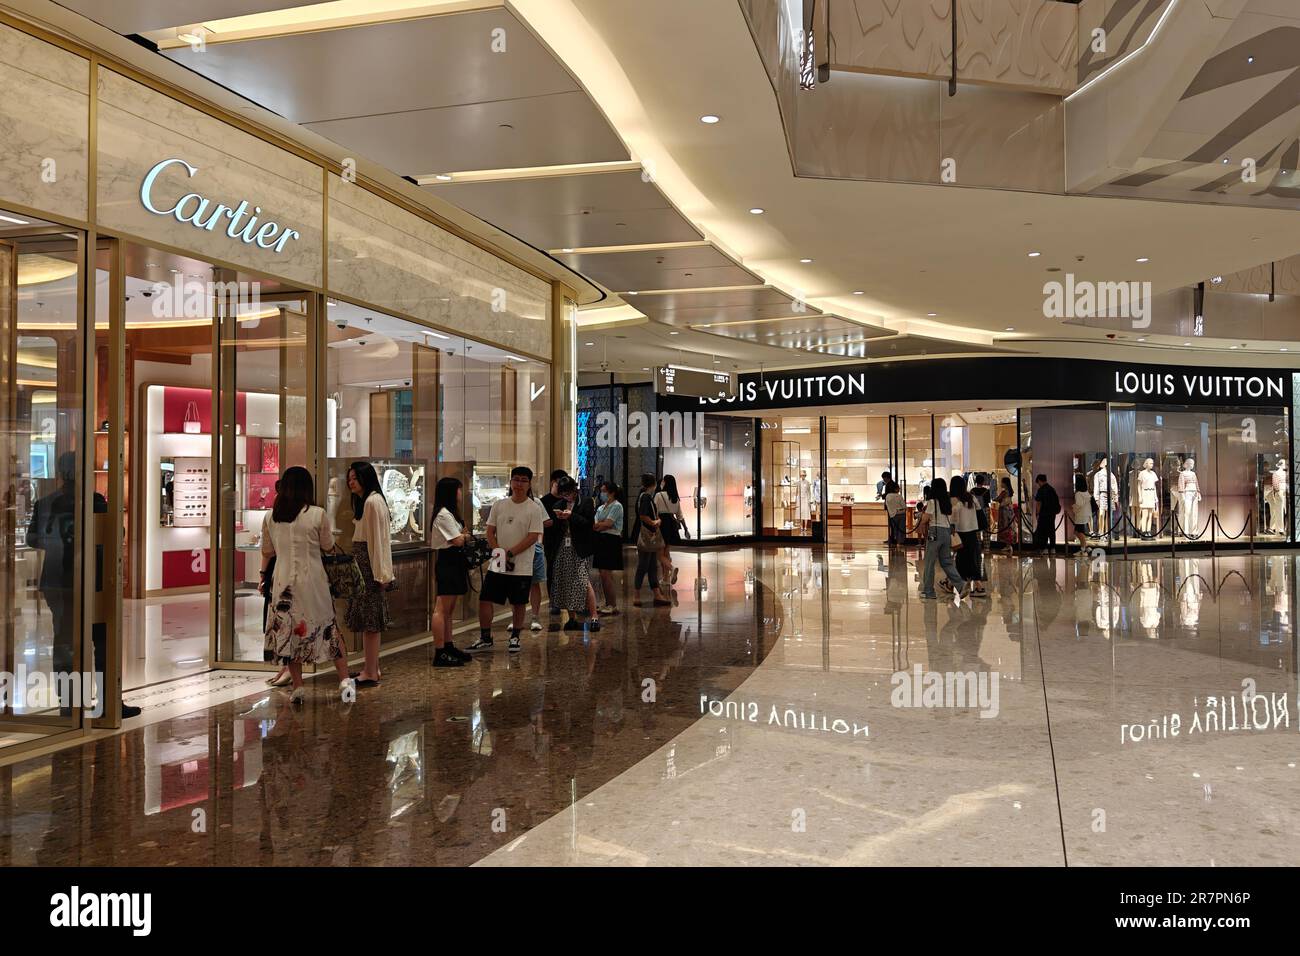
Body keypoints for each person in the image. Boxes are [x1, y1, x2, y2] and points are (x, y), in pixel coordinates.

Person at [27, 452, 142, 719]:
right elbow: (115, 534)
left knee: (65, 642)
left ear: (59, 472)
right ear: (82, 473)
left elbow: (33, 538)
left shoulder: (45, 503)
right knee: (101, 642)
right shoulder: (93, 501)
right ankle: (107, 702)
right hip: (92, 582)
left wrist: (57, 541)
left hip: (57, 581)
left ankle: (69, 704)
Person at [260, 466, 355, 704]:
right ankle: (344, 681)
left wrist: (262, 576)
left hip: (282, 584)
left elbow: (268, 551)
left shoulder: (271, 517)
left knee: (289, 632)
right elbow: (327, 545)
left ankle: (298, 687)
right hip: (313, 582)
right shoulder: (317, 514)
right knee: (329, 628)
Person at [470, 466, 544, 653]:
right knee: (486, 598)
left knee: (518, 602)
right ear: (510, 482)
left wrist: (510, 552)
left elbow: (533, 536)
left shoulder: (533, 508)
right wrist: (497, 550)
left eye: (523, 480)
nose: (519, 484)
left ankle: (515, 637)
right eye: (516, 480)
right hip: (498, 562)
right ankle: (485, 636)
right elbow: (490, 530)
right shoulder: (499, 505)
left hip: (521, 565)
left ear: (529, 484)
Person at [345, 461, 393, 686]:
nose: (351, 482)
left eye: (354, 477)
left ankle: (371, 670)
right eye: (350, 478)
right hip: (366, 565)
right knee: (368, 620)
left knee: (370, 621)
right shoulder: (368, 501)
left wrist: (381, 574)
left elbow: (378, 542)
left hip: (369, 568)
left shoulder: (373, 502)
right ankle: (371, 667)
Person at [428, 476, 472, 667]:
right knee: (442, 608)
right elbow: (458, 539)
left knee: (449, 609)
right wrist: (464, 535)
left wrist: (463, 535)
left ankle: (448, 645)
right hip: (448, 560)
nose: (461, 493)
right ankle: (440, 652)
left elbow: (462, 535)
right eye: (459, 490)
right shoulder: (444, 514)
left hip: (454, 561)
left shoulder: (450, 514)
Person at [550, 475, 601, 630]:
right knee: (565, 581)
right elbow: (555, 529)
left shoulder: (585, 502)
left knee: (582, 580)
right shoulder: (559, 503)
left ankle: (594, 616)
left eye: (568, 493)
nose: (566, 497)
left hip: (579, 547)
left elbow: (588, 524)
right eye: (563, 494)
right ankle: (571, 618)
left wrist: (571, 516)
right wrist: (559, 518)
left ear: (574, 490)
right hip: (563, 548)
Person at [918, 476, 966, 600]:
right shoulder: (947, 502)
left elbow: (926, 519)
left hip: (935, 532)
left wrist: (922, 519)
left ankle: (929, 591)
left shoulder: (932, 502)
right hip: (946, 533)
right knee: (946, 562)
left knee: (929, 562)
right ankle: (960, 585)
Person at [632, 473, 672, 608]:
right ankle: (637, 595)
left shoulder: (643, 496)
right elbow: (643, 515)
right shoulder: (646, 497)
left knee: (651, 566)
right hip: (647, 534)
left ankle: (657, 594)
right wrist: (655, 522)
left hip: (648, 534)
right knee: (644, 565)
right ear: (654, 484)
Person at [950, 475, 987, 597]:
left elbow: (954, 517)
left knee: (965, 558)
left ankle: (977, 586)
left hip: (961, 532)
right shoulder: (971, 497)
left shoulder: (955, 499)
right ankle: (963, 584)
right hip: (972, 531)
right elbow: (980, 511)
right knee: (968, 558)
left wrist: (952, 527)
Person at [527, 476, 554, 631]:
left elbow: (546, 521)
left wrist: (539, 541)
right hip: (516, 549)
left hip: (534, 547)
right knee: (516, 584)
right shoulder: (506, 503)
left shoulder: (536, 503)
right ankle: (516, 617)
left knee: (534, 582)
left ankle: (535, 616)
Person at [593, 481, 625, 614]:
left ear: (611, 492)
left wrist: (601, 524)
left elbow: (608, 523)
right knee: (602, 574)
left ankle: (612, 604)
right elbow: (595, 524)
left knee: (607, 574)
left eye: (604, 491)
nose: (602, 494)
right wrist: (601, 525)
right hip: (601, 540)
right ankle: (607, 602)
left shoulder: (617, 506)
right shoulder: (601, 508)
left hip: (611, 540)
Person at [541, 469, 568, 614]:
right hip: (550, 540)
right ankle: (554, 601)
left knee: (566, 570)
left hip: (566, 540)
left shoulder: (567, 501)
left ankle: (566, 599)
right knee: (552, 569)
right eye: (559, 482)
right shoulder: (544, 501)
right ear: (553, 482)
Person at [654, 474, 685, 584]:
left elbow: (654, 511)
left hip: (661, 524)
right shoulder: (675, 497)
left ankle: (672, 568)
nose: (661, 483)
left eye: (663, 481)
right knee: (666, 553)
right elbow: (680, 515)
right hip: (671, 525)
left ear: (665, 482)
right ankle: (666, 578)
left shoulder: (659, 495)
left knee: (660, 554)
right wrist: (686, 529)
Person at [1033, 474, 1061, 554]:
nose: (1038, 484)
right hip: (1052, 514)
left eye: (1038, 483)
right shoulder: (1052, 489)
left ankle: (1044, 548)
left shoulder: (1041, 490)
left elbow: (1039, 503)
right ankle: (1052, 548)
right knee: (1051, 530)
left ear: (1039, 481)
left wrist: (1037, 514)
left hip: (1043, 514)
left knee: (1043, 531)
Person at [1071, 474, 1092, 553]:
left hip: (1081, 515)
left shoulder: (1078, 494)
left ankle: (1083, 548)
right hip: (1086, 514)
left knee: (1078, 532)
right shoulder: (1086, 492)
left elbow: (1079, 504)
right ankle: (1086, 547)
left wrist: (1073, 507)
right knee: (1078, 531)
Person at [883, 480, 905, 548]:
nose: (899, 489)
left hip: (892, 515)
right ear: (895, 489)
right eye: (898, 488)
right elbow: (904, 506)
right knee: (901, 529)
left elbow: (887, 505)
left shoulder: (888, 496)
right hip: (901, 514)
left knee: (895, 529)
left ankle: (895, 540)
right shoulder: (899, 496)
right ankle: (899, 542)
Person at [877, 471, 893, 544]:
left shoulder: (889, 485)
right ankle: (891, 537)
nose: (883, 480)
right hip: (890, 505)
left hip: (891, 505)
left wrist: (881, 496)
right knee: (891, 523)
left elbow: (888, 495)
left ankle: (891, 538)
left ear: (886, 478)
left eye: (884, 478)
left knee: (891, 523)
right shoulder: (890, 484)